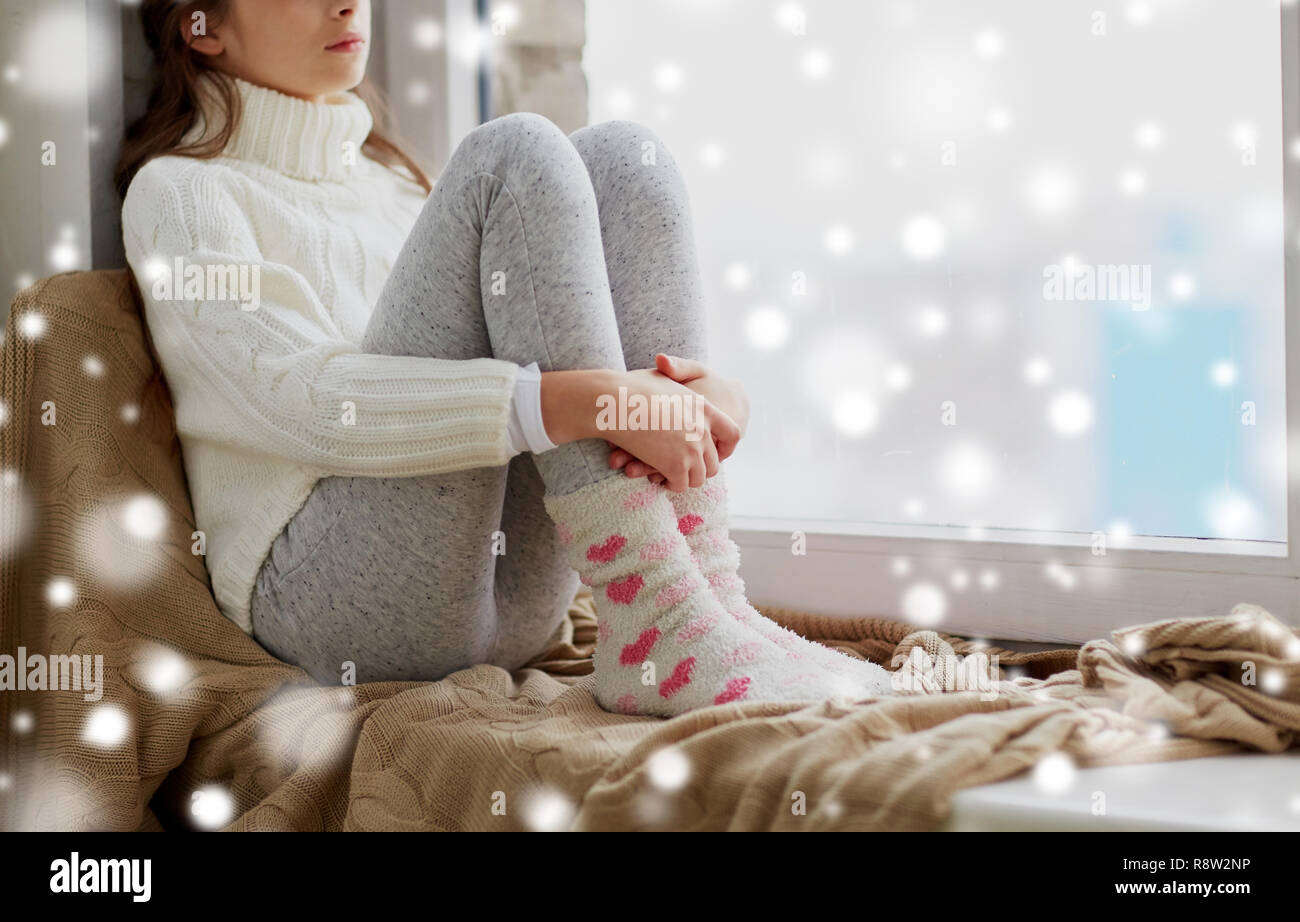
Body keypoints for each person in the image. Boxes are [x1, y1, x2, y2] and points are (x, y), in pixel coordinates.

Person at [117, 0, 893, 717]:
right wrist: (591, 400)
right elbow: (306, 405)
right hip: (330, 604)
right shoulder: (182, 194)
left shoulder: (394, 187)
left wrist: (702, 395)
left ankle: (699, 600)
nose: (348, 2)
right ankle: (661, 617)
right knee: (511, 155)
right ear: (202, 27)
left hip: (509, 602)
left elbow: (552, 344)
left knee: (626, 157)